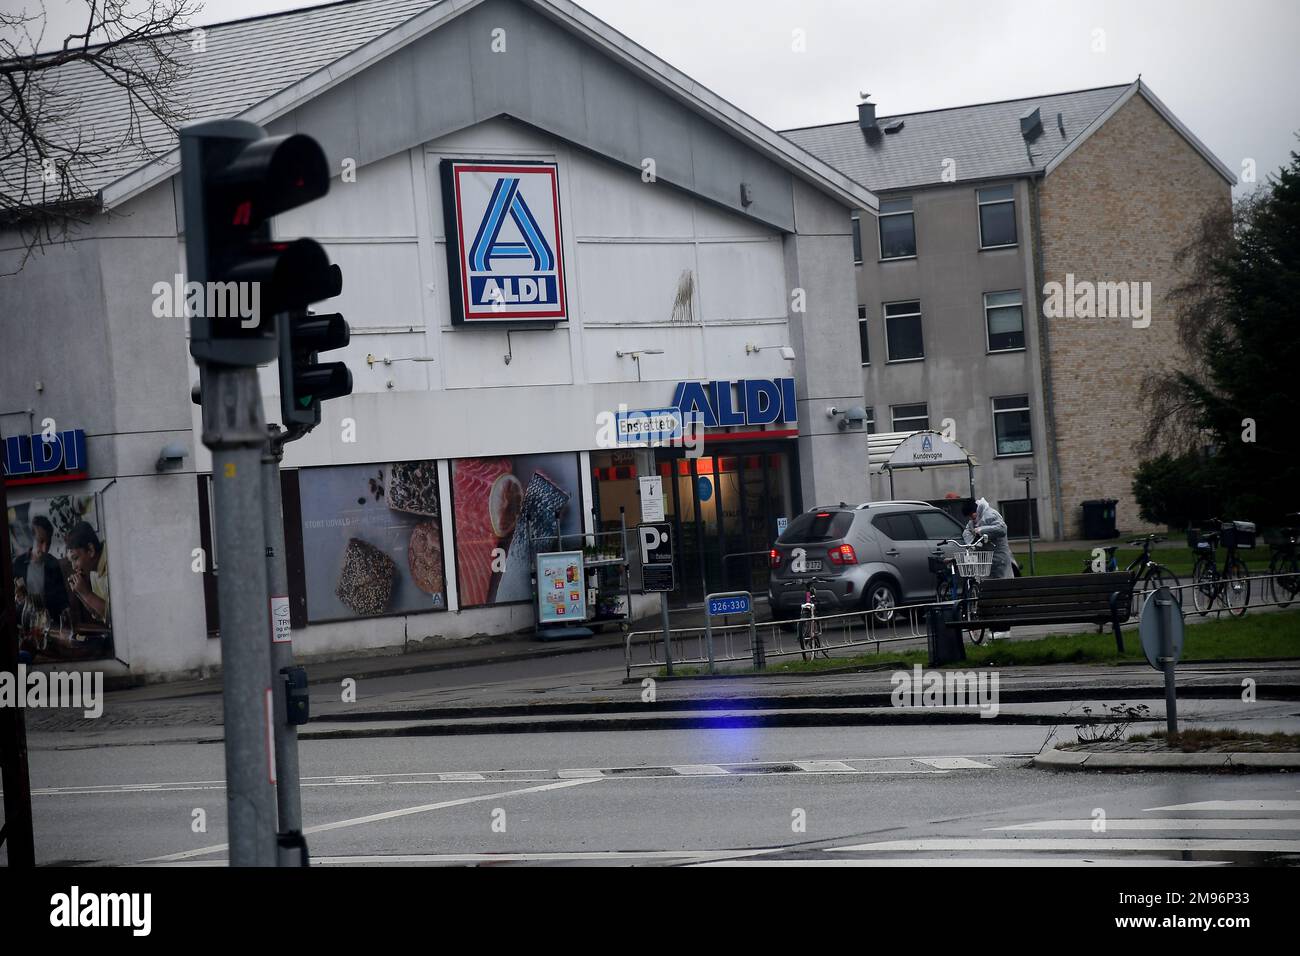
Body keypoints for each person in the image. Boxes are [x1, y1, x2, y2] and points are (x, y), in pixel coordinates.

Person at [961, 497, 1013, 639]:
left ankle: (1003, 629)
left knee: (1000, 594)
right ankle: (996, 628)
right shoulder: (974, 520)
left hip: (999, 560)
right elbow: (967, 531)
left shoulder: (990, 514)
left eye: (972, 514)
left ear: (976, 509)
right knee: (990, 594)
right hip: (987, 560)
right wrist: (971, 542)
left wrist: (982, 530)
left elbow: (1002, 528)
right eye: (970, 516)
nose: (972, 518)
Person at [13, 515, 71, 620]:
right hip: (23, 622)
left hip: (49, 623)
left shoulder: (53, 563)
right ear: (31, 539)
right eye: (41, 541)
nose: (45, 549)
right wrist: (17, 599)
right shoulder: (18, 564)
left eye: (48, 543)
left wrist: (67, 613)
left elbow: (63, 600)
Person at [66, 521, 110, 625]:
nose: (73, 567)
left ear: (90, 550)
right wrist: (81, 594)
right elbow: (99, 615)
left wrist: (87, 594)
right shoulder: (92, 571)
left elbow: (114, 615)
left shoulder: (111, 562)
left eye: (75, 558)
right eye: (70, 561)